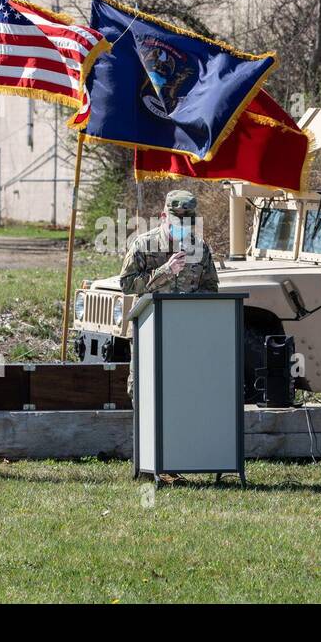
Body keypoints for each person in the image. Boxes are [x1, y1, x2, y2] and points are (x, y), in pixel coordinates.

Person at [119, 189, 219, 482]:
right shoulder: (144, 245)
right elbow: (126, 284)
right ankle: (147, 462)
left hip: (185, 337)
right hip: (149, 332)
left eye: (188, 222)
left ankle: (172, 462)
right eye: (177, 221)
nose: (182, 228)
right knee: (143, 392)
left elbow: (210, 288)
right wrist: (164, 271)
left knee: (180, 396)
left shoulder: (200, 249)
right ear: (163, 216)